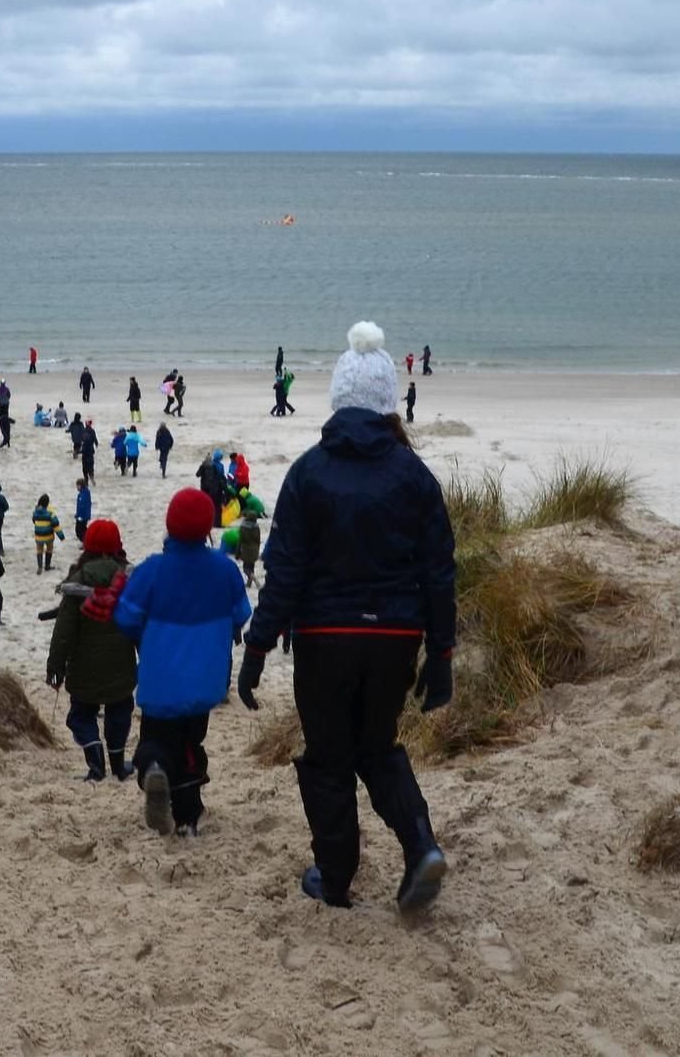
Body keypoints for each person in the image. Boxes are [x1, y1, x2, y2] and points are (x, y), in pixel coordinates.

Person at [237, 321, 456, 915]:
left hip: (325, 637)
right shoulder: (414, 476)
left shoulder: (308, 472)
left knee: (329, 757)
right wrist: (440, 655)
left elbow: (284, 571)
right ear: (389, 404)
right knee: (377, 747)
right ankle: (421, 846)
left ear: (338, 401)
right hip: (395, 637)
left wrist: (257, 648)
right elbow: (439, 571)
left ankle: (335, 879)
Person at [114, 488, 251, 835]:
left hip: (160, 677)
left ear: (170, 524)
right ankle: (187, 818)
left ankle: (155, 769)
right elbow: (241, 614)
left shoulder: (151, 571)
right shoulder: (225, 570)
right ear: (207, 527)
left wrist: (150, 635)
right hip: (206, 679)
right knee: (191, 743)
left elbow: (126, 617)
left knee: (156, 739)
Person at [44, 519, 136, 781]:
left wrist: (55, 667)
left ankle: (96, 764)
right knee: (119, 715)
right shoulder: (127, 581)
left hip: (83, 669)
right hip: (121, 667)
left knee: (81, 716)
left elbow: (63, 633)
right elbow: (140, 624)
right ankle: (118, 766)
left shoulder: (77, 581)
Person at [234, 487, 266, 587]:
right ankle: (249, 584)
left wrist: (237, 553)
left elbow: (240, 541)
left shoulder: (243, 527)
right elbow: (258, 540)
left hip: (246, 551)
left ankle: (254, 579)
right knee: (251, 567)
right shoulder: (256, 527)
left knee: (246, 569)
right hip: (255, 550)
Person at [32, 493, 65, 572]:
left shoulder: (35, 512)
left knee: (39, 550)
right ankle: (47, 566)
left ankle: (40, 567)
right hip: (48, 536)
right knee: (49, 549)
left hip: (38, 536)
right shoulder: (50, 513)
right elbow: (56, 526)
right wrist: (61, 537)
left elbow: (34, 521)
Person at [75, 476, 92, 541]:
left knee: (79, 531)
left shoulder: (83, 495)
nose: (76, 487)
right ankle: (87, 540)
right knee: (82, 530)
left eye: (77, 486)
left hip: (82, 517)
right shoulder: (84, 493)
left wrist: (79, 516)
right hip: (83, 516)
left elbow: (82, 507)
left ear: (80, 486)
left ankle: (86, 541)